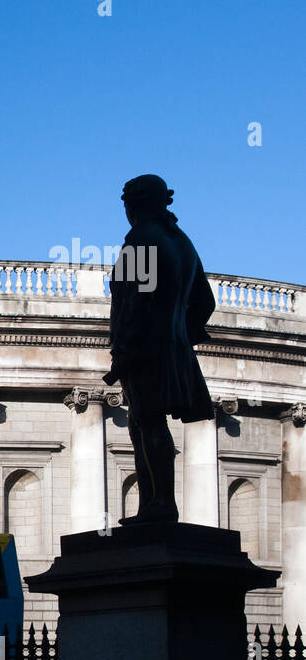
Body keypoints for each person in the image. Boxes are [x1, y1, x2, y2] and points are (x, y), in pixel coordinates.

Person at [103, 174, 215, 525]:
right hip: (172, 345)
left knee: (145, 423)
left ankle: (158, 504)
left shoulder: (141, 239)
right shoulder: (181, 243)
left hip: (144, 348)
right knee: (153, 424)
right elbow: (205, 301)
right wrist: (180, 333)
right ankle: (158, 504)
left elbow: (136, 300)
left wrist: (126, 348)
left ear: (133, 205)